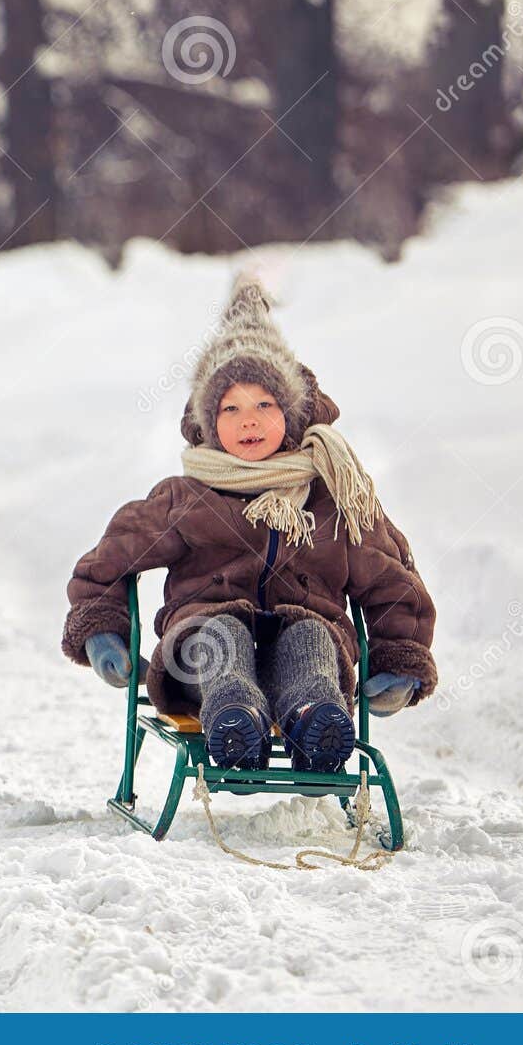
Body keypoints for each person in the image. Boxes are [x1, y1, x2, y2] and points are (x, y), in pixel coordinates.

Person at [62, 274, 437, 772]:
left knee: (311, 638)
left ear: (292, 413)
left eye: (265, 404)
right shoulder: (186, 498)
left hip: (310, 646)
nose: (249, 420)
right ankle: (236, 720)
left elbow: (390, 577)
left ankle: (315, 720)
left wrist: (399, 656)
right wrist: (102, 628)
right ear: (209, 422)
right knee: (222, 635)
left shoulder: (331, 496)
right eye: (230, 408)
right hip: (200, 653)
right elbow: (109, 561)